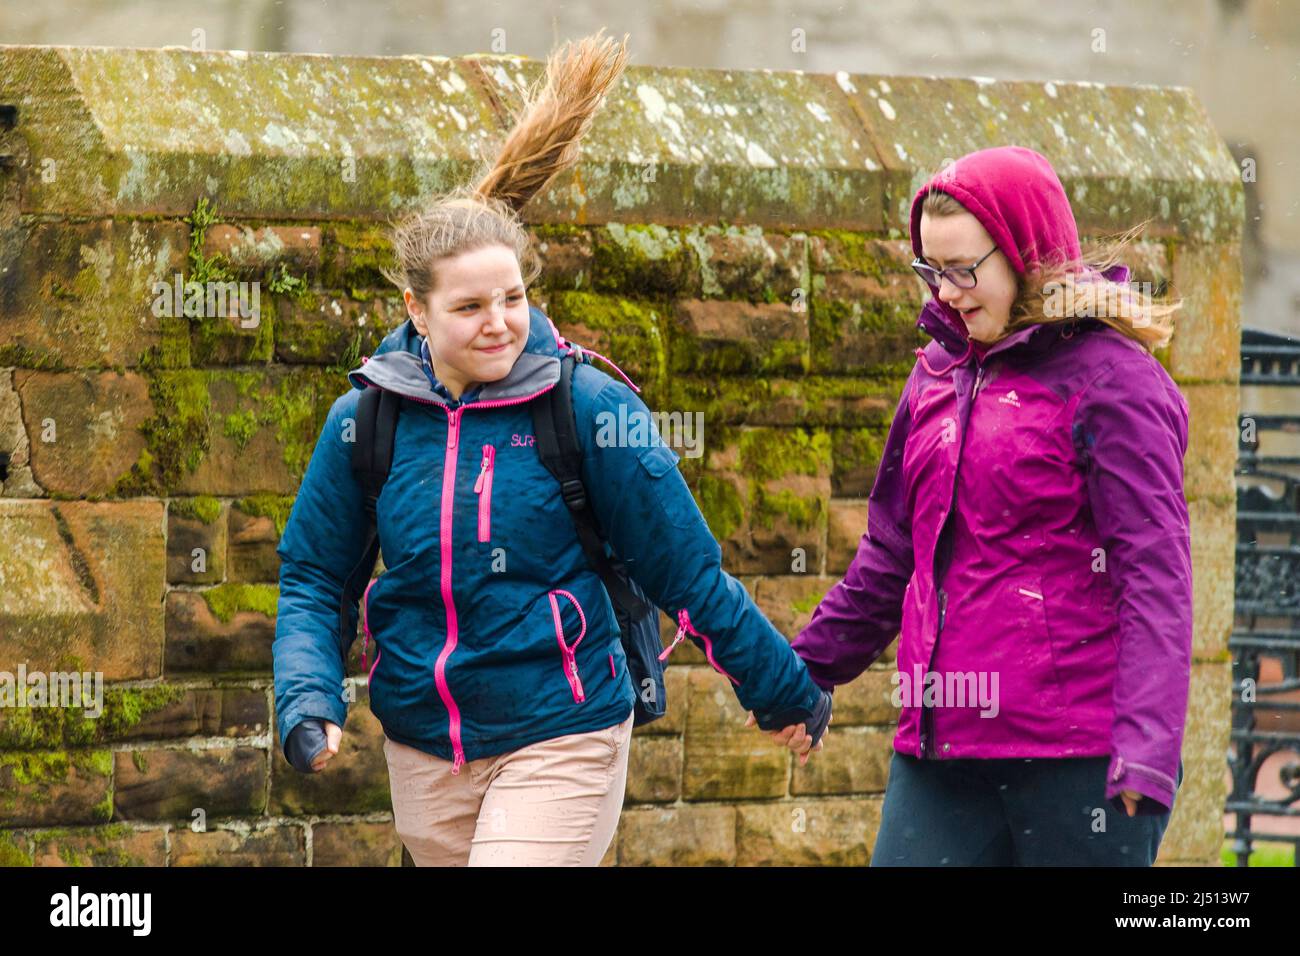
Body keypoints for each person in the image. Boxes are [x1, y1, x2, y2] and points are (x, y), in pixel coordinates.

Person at [271, 31, 831, 867]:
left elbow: (686, 572)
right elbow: (317, 576)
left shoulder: (585, 407)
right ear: (418, 313)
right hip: (426, 744)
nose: (498, 321)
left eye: (513, 297)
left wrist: (780, 688)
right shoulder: (367, 420)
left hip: (563, 730)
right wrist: (307, 698)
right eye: (470, 307)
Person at [789, 145, 1192, 866]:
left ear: (1027, 256)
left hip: (1081, 759)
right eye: (930, 270)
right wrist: (798, 674)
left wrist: (1149, 749)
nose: (944, 292)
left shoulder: (1116, 382)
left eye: (962, 270)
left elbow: (1155, 577)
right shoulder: (935, 378)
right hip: (939, 751)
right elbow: (890, 555)